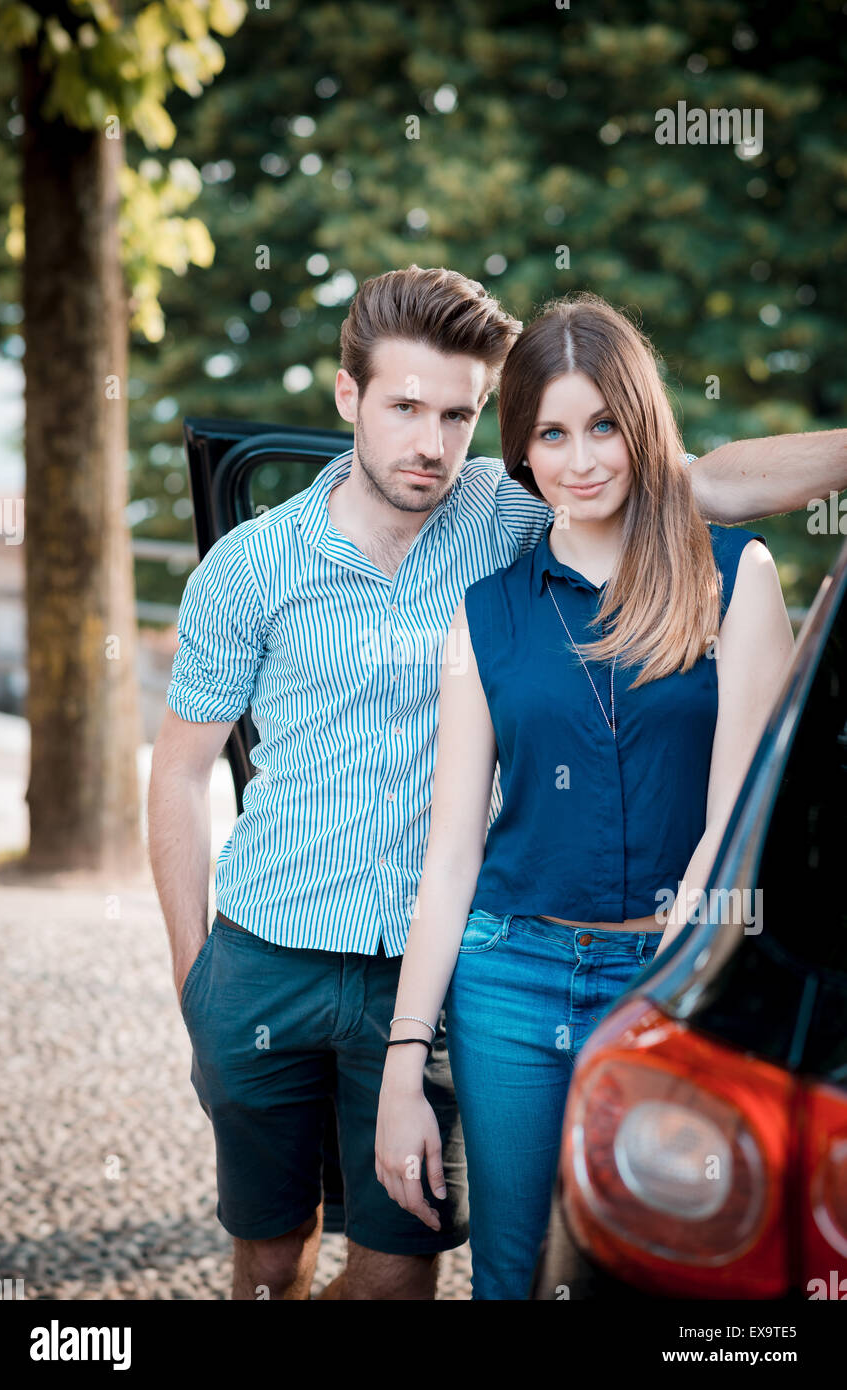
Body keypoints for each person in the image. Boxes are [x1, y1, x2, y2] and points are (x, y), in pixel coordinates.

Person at [148, 265, 844, 1301]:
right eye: (404, 408)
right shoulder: (274, 569)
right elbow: (186, 779)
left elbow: (709, 486)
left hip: (535, 964)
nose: (430, 441)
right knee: (280, 1260)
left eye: (457, 414)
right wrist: (197, 982)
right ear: (350, 400)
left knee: (418, 1271)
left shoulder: (565, 523)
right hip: (320, 957)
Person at [374, 291, 795, 1300]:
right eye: (552, 434)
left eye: (605, 424)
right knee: (510, 1274)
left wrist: (683, 971)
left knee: (667, 1274)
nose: (583, 458)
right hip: (508, 981)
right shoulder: (486, 615)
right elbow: (453, 853)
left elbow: (738, 831)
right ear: (521, 452)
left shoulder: (737, 578)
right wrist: (402, 1066)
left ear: (643, 423)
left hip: (671, 980)